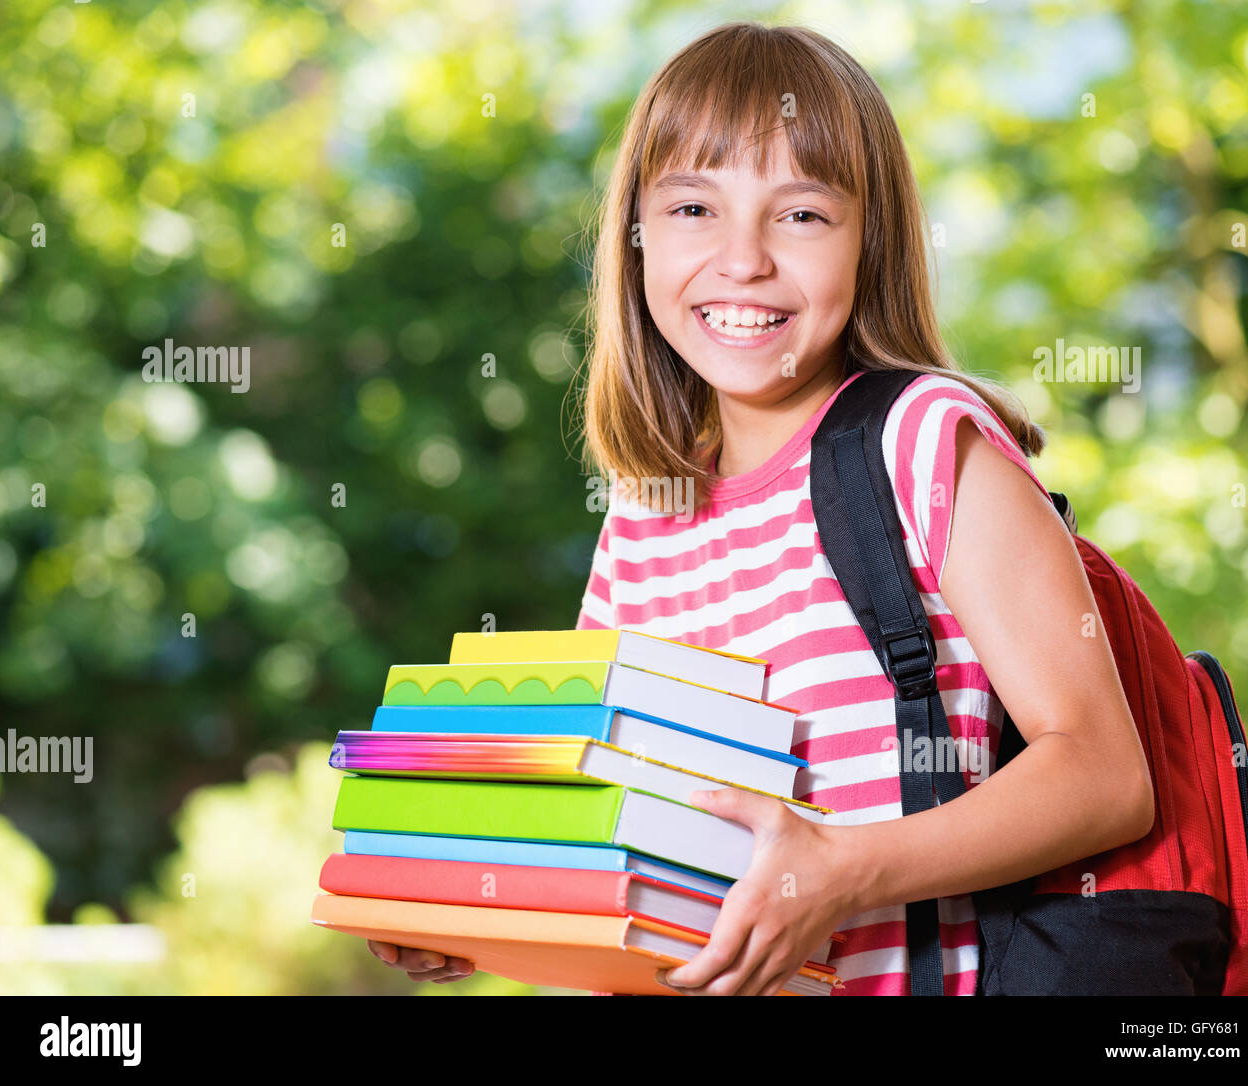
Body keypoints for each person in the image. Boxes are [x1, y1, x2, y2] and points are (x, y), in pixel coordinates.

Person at [369, 20, 1154, 995]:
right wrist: (489, 907)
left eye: (801, 215)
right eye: (694, 207)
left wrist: (839, 870)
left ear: (871, 244)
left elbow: (1104, 776)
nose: (742, 261)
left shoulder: (924, 442)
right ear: (637, 235)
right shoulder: (644, 514)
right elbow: (633, 867)